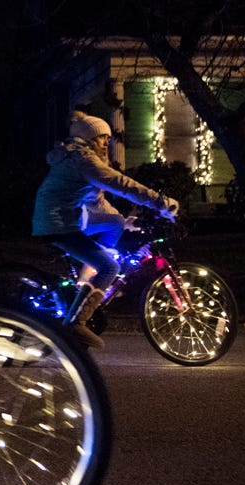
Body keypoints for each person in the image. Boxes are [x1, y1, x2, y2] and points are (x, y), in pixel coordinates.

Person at [32, 110, 179, 348]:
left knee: (115, 224)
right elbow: (122, 185)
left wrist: (123, 220)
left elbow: (96, 202)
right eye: (102, 137)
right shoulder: (84, 161)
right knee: (111, 266)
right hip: (59, 224)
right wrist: (161, 202)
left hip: (68, 218)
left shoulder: (81, 160)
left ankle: (91, 279)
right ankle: (75, 323)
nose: (107, 142)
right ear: (90, 138)